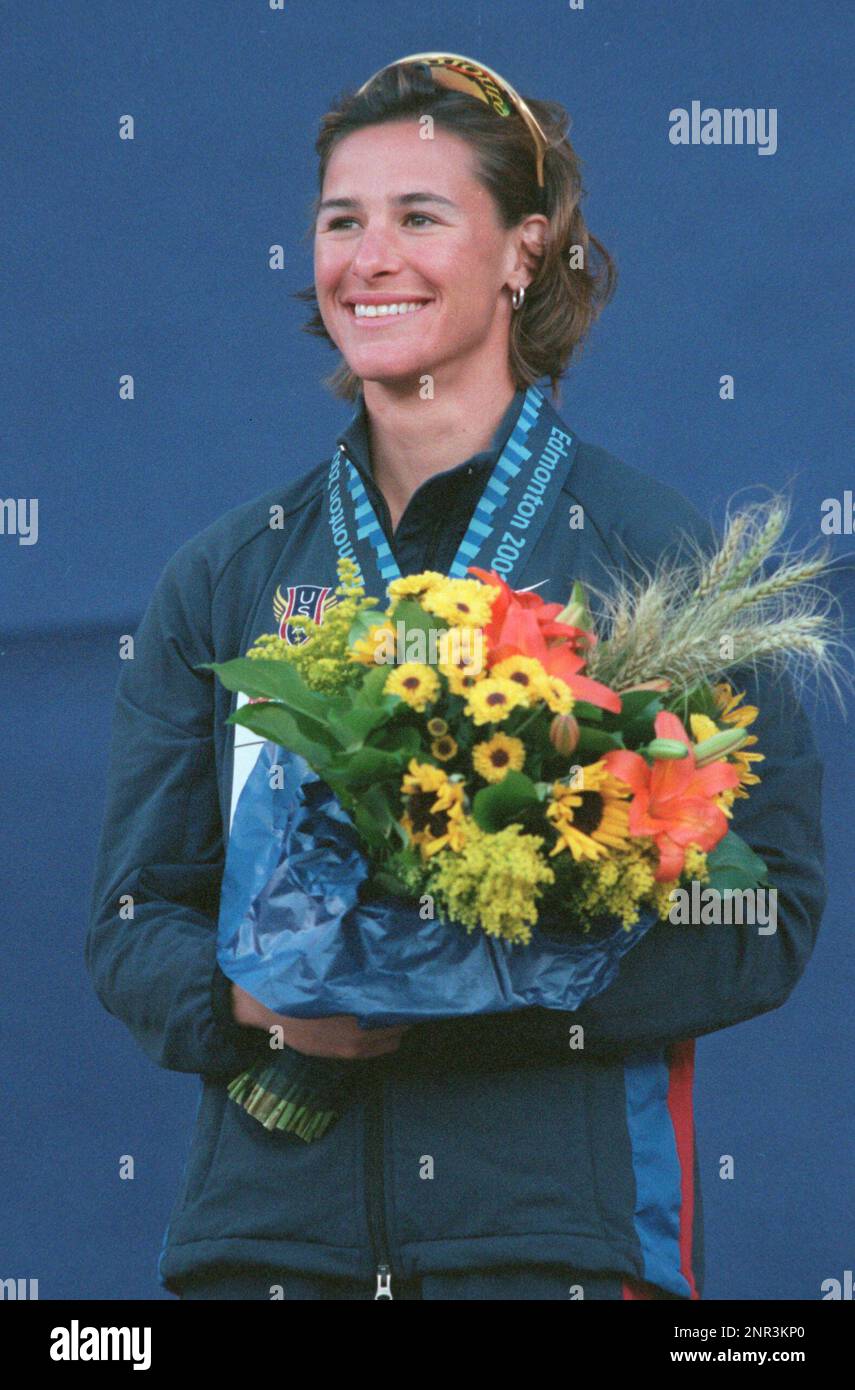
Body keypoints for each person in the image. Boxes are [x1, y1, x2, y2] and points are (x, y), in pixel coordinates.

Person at [86, 53, 825, 1301]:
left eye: (420, 215)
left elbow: (766, 910)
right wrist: (260, 1006)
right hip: (265, 1246)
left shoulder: (657, 560)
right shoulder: (227, 580)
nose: (371, 257)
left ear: (524, 252)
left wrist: (491, 975)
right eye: (341, 220)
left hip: (550, 1245)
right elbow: (130, 919)